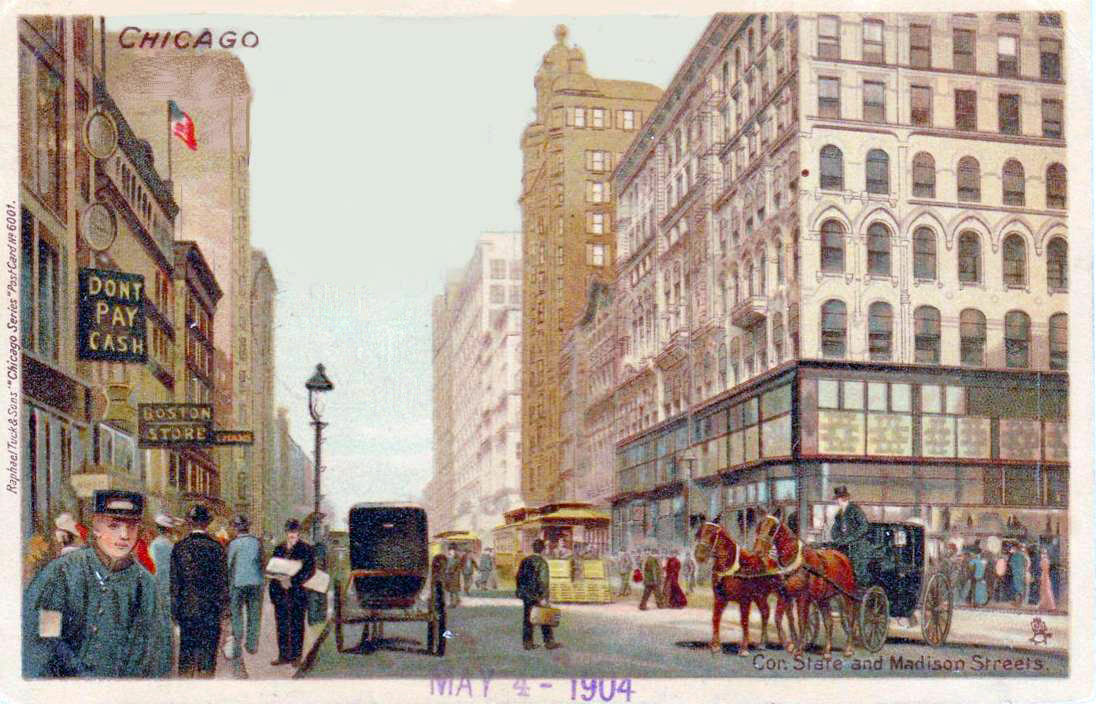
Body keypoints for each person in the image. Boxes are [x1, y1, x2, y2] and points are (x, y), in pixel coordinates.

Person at [23, 490, 172, 678]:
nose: (124, 535)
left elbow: (157, 654)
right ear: (96, 528)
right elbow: (44, 637)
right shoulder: (61, 573)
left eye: (132, 527)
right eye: (114, 526)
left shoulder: (145, 585)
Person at [171, 504, 230, 677]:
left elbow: (174, 584)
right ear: (207, 524)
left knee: (187, 653)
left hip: (186, 609)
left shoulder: (179, 547)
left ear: (190, 523)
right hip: (211, 610)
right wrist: (225, 612)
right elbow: (223, 583)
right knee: (208, 656)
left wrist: (174, 612)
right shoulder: (217, 548)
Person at [269, 518, 316, 666]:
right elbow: (272, 569)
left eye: (294, 531)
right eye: (289, 531)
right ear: (286, 532)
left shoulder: (306, 549)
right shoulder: (279, 548)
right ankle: (283, 656)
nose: (292, 534)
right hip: (280, 593)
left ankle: (296, 657)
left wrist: (293, 581)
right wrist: (276, 584)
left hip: (297, 593)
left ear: (299, 532)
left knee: (297, 624)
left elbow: (310, 571)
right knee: (282, 625)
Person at [227, 514, 264, 665]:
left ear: (237, 528)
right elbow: (263, 563)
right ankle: (252, 645)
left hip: (238, 584)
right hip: (256, 583)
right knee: (254, 615)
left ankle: (236, 647)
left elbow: (229, 565)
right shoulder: (257, 543)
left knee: (236, 615)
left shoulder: (234, 544)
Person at [516, 539, 560, 650]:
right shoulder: (542, 562)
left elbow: (518, 577)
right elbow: (543, 581)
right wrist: (544, 597)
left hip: (526, 594)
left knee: (527, 618)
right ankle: (549, 642)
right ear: (543, 549)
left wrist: (521, 590)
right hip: (538, 595)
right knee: (544, 617)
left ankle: (527, 643)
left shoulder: (525, 560)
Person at [830, 486, 871, 589]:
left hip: (859, 546)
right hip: (845, 546)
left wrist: (850, 538)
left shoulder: (855, 510)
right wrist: (836, 538)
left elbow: (864, 527)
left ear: (843, 498)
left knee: (857, 570)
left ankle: (860, 589)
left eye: (838, 499)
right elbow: (834, 529)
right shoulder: (839, 514)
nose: (836, 501)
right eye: (836, 499)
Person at [1038, 546, 1057, 611]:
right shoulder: (1044, 560)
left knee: (1046, 591)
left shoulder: (1045, 560)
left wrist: (1044, 578)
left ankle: (1051, 606)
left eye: (1043, 553)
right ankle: (1045, 605)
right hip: (1044, 575)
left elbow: (1046, 570)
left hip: (1045, 576)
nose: (1042, 554)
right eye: (1042, 553)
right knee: (1044, 591)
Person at [1009, 543, 1027, 608]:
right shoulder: (1022, 555)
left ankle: (1018, 603)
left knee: (1017, 588)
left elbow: (1011, 564)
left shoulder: (1014, 556)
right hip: (1021, 573)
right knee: (1020, 587)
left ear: (1014, 549)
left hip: (1016, 573)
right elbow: (1025, 564)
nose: (1010, 550)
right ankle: (1020, 603)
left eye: (1011, 549)